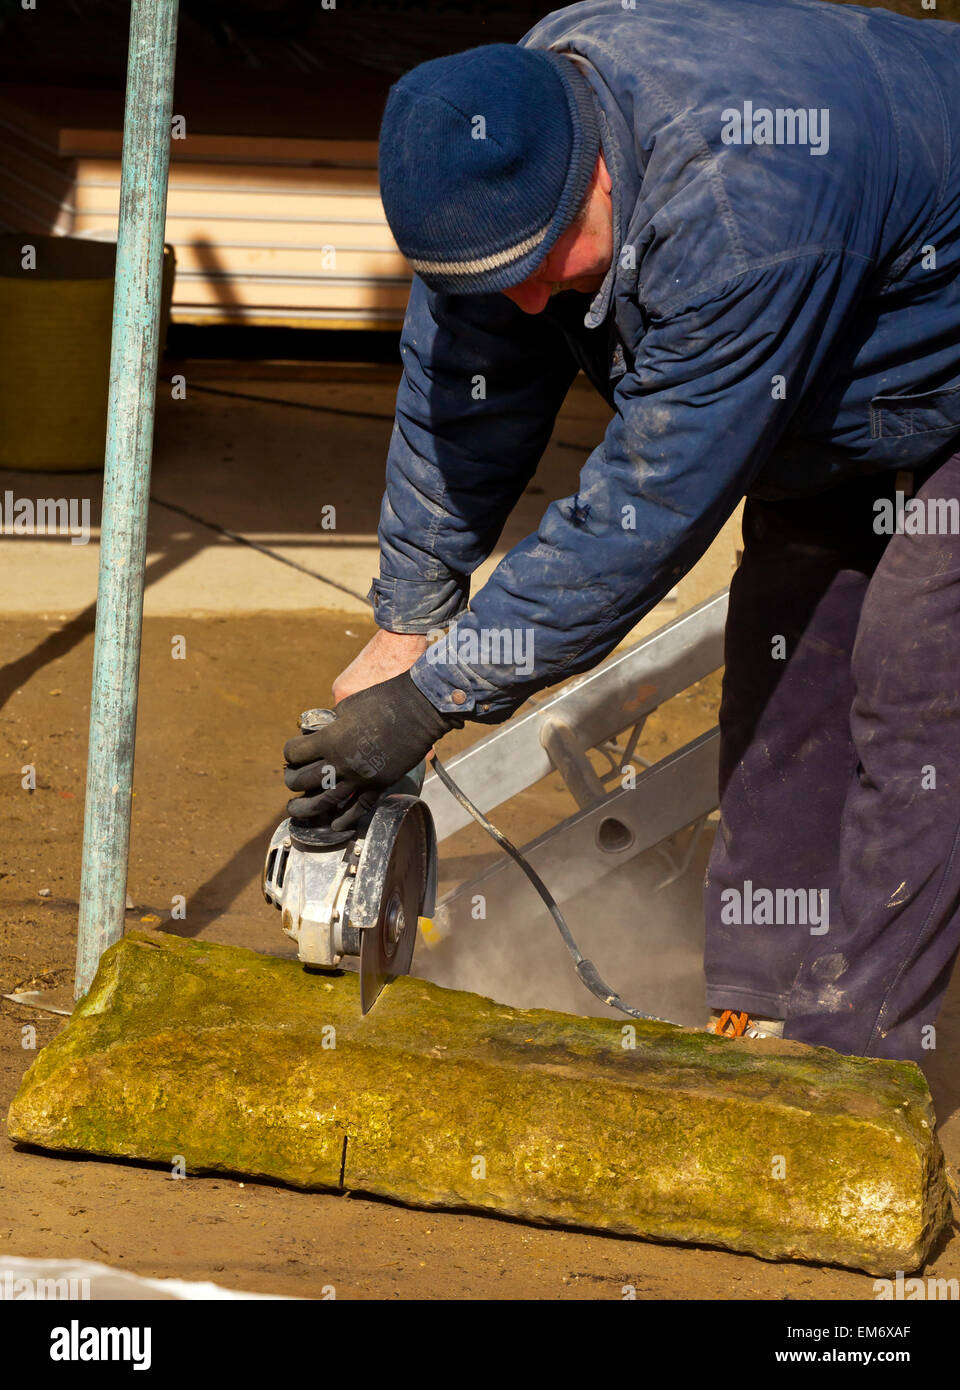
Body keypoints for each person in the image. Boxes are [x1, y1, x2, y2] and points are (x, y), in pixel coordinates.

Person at [282, 0, 960, 1063]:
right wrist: (407, 627)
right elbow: (463, 401)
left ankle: (854, 1066)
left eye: (550, 261)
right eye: (499, 280)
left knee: (922, 665)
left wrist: (436, 699)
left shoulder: (742, 212)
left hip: (880, 314)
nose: (533, 297)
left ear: (595, 174)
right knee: (788, 649)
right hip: (840, 369)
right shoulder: (497, 145)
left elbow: (643, 513)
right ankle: (760, 1009)